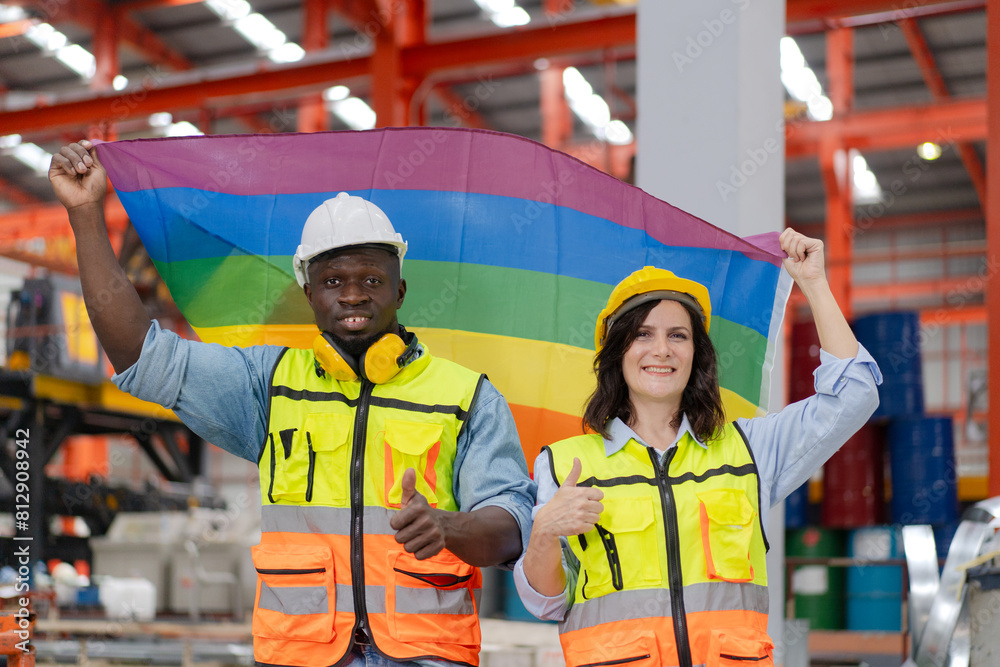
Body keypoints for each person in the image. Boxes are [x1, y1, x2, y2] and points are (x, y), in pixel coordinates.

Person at [50, 140, 536, 667]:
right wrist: (85, 214)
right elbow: (140, 355)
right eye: (333, 281)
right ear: (309, 294)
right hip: (301, 654)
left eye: (372, 280)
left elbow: (513, 529)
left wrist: (448, 527)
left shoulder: (467, 397)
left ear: (400, 291)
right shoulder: (268, 385)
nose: (353, 295)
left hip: (424, 656)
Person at [514, 229, 882, 667]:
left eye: (678, 336)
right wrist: (543, 533)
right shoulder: (564, 465)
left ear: (696, 354)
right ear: (617, 353)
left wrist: (815, 284)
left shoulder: (749, 451)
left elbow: (855, 395)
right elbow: (546, 602)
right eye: (643, 335)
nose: (661, 350)